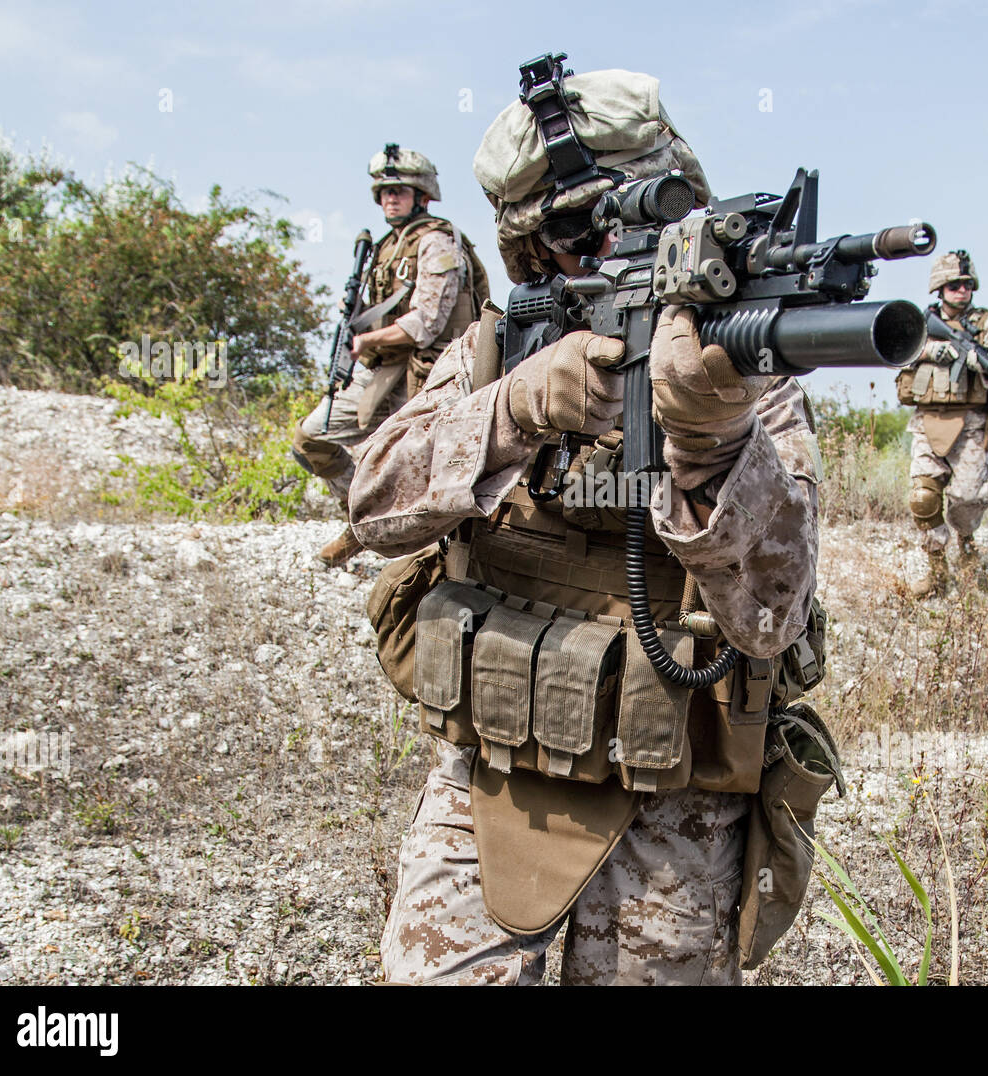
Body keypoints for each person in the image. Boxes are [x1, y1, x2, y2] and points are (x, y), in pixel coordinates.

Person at [349, 61, 826, 985]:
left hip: (677, 790)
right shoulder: (499, 345)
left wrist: (714, 436)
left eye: (636, 218)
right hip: (494, 766)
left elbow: (772, 613)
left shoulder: (748, 373)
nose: (607, 246)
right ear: (534, 247)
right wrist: (516, 406)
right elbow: (374, 503)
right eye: (577, 231)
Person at [292, 145, 487, 568]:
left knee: (430, 474)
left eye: (399, 190)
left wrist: (367, 340)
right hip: (382, 371)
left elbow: (425, 324)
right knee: (311, 438)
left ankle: (434, 557)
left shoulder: (436, 242)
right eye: (383, 191)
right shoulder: (384, 247)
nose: (389, 198)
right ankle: (360, 521)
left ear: (423, 194)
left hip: (433, 373)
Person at [896, 250, 988, 597]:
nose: (961, 291)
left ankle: (966, 542)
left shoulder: (986, 323)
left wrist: (977, 360)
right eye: (953, 285)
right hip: (926, 422)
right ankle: (936, 571)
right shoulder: (919, 322)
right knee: (922, 498)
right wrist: (931, 351)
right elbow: (893, 352)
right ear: (940, 287)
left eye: (966, 285)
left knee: (966, 499)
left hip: (972, 424)